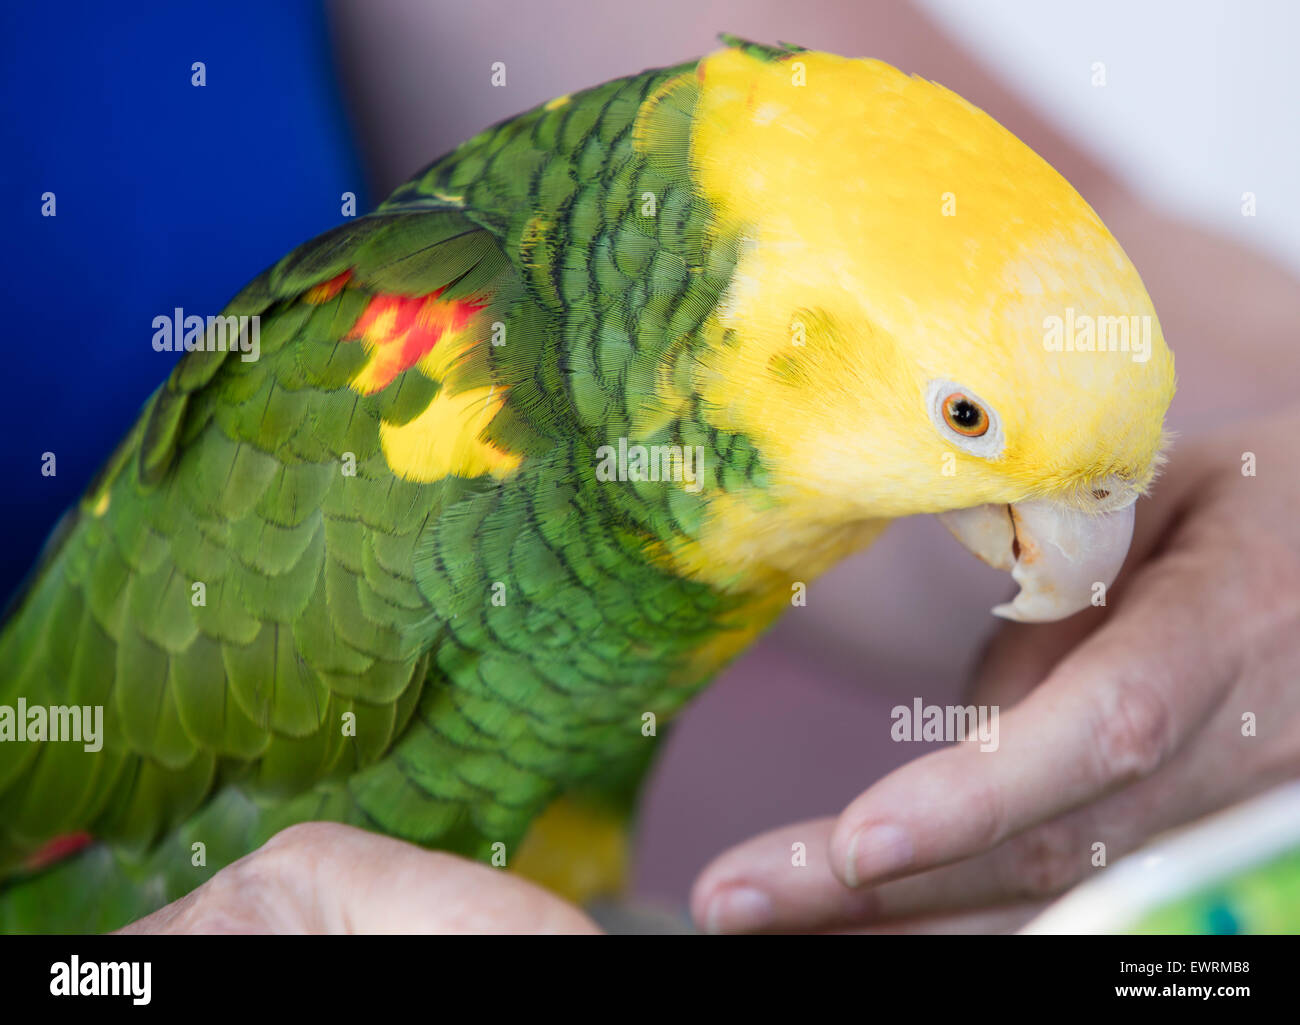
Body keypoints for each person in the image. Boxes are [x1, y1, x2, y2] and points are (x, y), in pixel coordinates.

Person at [128, 0, 1300, 933]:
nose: (1090, 527)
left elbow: (1079, 239)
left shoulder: (715, 372)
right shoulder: (420, 384)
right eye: (965, 415)